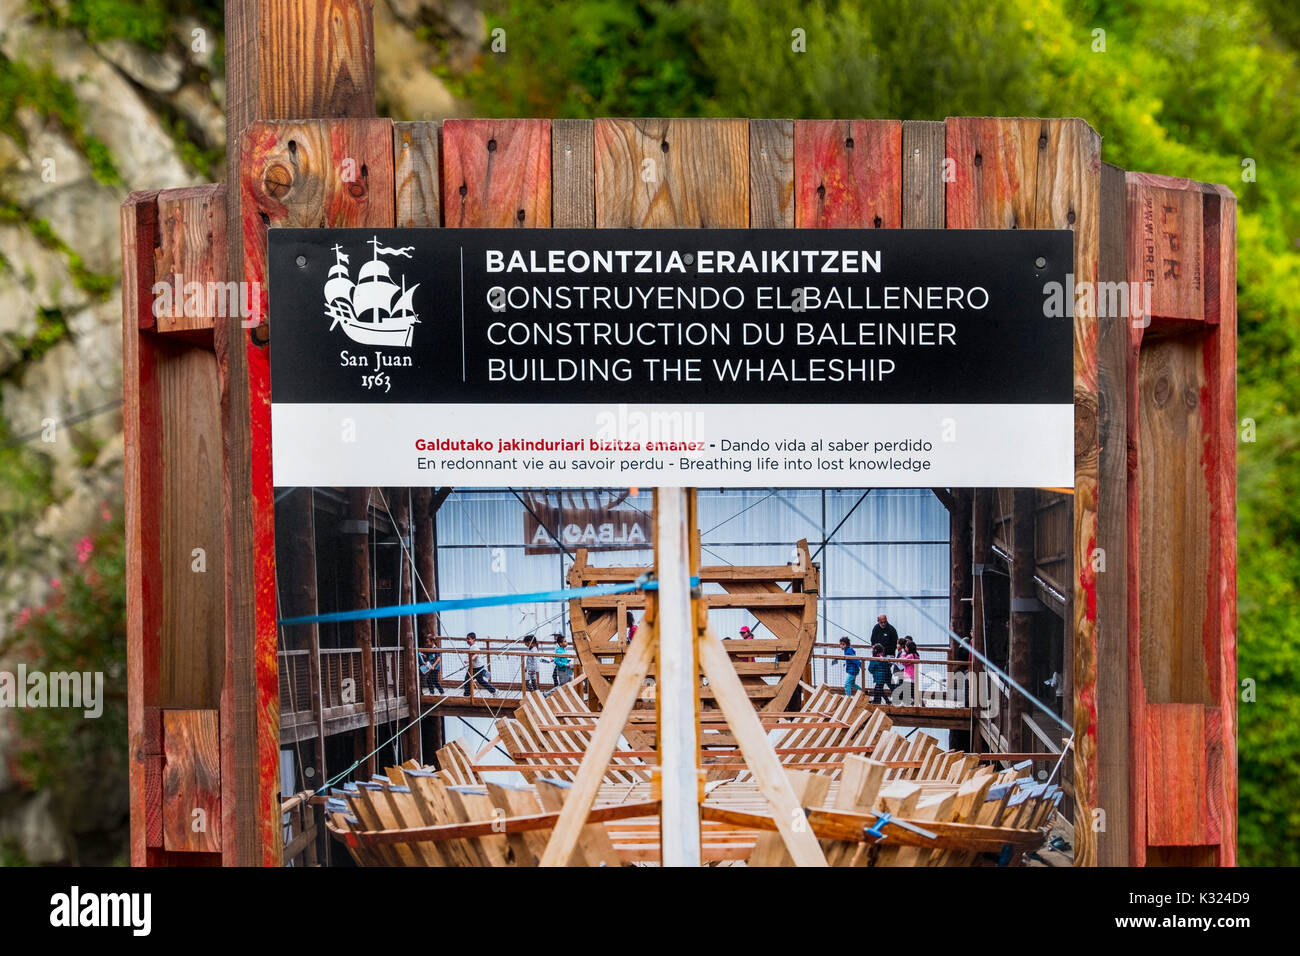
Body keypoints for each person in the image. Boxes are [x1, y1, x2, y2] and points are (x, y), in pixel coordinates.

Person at [898, 636, 920, 707]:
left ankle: (906, 703)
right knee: (912, 690)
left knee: (907, 690)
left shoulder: (910, 655)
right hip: (913, 675)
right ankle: (918, 702)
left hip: (909, 675)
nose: (905, 648)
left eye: (906, 647)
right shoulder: (916, 655)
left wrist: (903, 653)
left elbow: (903, 661)